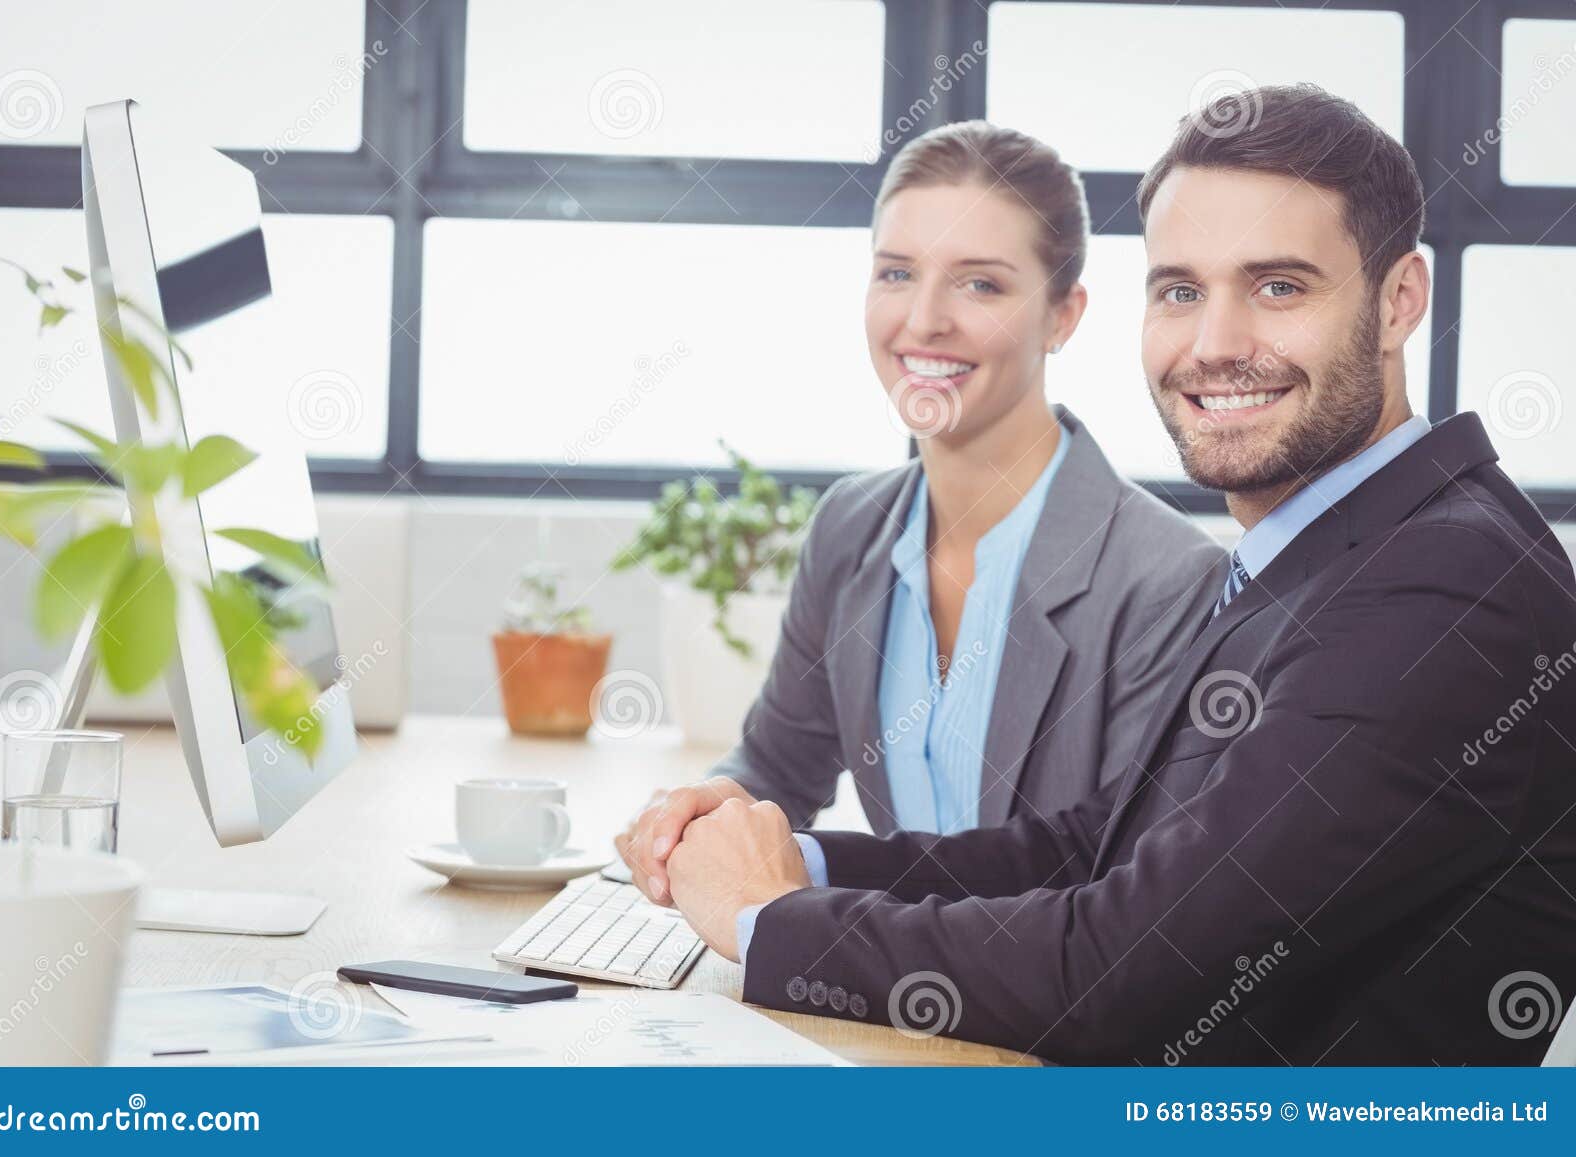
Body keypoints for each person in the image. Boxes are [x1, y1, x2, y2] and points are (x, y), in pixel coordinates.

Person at [651, 85, 1576, 1065]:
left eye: (1278, 287)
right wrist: (805, 858)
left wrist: (771, 916)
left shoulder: (1445, 583)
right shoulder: (1318, 554)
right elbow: (1100, 845)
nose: (1214, 344)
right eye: (1180, 289)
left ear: (1398, 302)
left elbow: (1122, 970)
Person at [617, 122, 1226, 903]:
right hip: (883, 1006)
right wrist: (703, 810)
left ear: (1062, 315)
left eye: (981, 284)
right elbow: (775, 768)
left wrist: (810, 900)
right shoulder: (851, 527)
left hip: (1043, 1016)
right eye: (897, 273)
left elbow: (1115, 888)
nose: (925, 319)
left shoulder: (1166, 580)